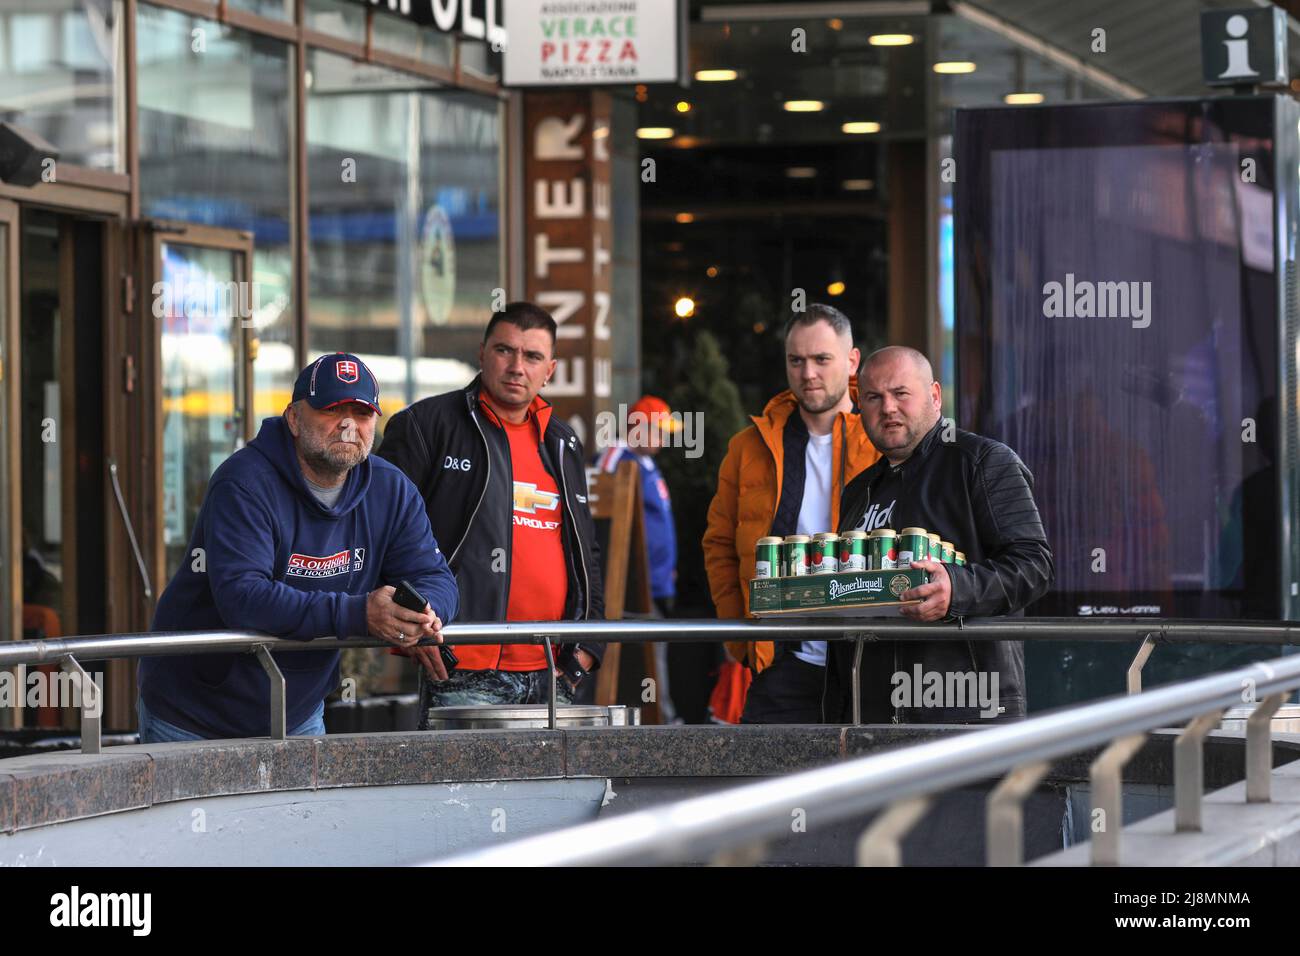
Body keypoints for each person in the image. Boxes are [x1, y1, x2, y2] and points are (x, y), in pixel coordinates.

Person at [138, 353, 459, 742]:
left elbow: (434, 577)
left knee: (301, 808)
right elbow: (243, 596)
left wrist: (423, 615)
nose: (347, 425)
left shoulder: (391, 489)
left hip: (298, 711)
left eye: (361, 413)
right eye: (330, 410)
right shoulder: (243, 482)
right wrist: (359, 614)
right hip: (192, 715)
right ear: (293, 418)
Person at [376, 302, 605, 722]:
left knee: (553, 790)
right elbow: (377, 531)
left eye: (533, 356)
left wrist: (589, 647)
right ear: (482, 354)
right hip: (462, 663)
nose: (517, 366)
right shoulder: (427, 425)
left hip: (553, 670)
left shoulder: (562, 441)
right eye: (505, 351)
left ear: (549, 369)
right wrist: (409, 627)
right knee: (462, 790)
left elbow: (585, 552)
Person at [824, 346, 1055, 723]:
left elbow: (1035, 565)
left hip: (966, 711)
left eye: (901, 393)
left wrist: (957, 590)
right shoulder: (859, 489)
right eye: (873, 397)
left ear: (934, 396)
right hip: (872, 714)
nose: (888, 408)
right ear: (858, 405)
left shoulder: (982, 461)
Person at [702, 304, 880, 723]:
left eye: (822, 359)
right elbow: (719, 545)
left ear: (852, 361)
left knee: (869, 787)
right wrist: (741, 638)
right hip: (781, 659)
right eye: (796, 361)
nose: (808, 373)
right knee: (767, 784)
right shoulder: (749, 447)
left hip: (870, 659)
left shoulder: (882, 440)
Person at [596, 395, 680, 722]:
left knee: (654, 654)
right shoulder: (617, 456)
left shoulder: (647, 463)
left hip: (654, 583)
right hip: (628, 584)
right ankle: (661, 721)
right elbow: (598, 508)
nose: (664, 437)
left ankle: (659, 718)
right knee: (642, 657)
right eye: (659, 430)